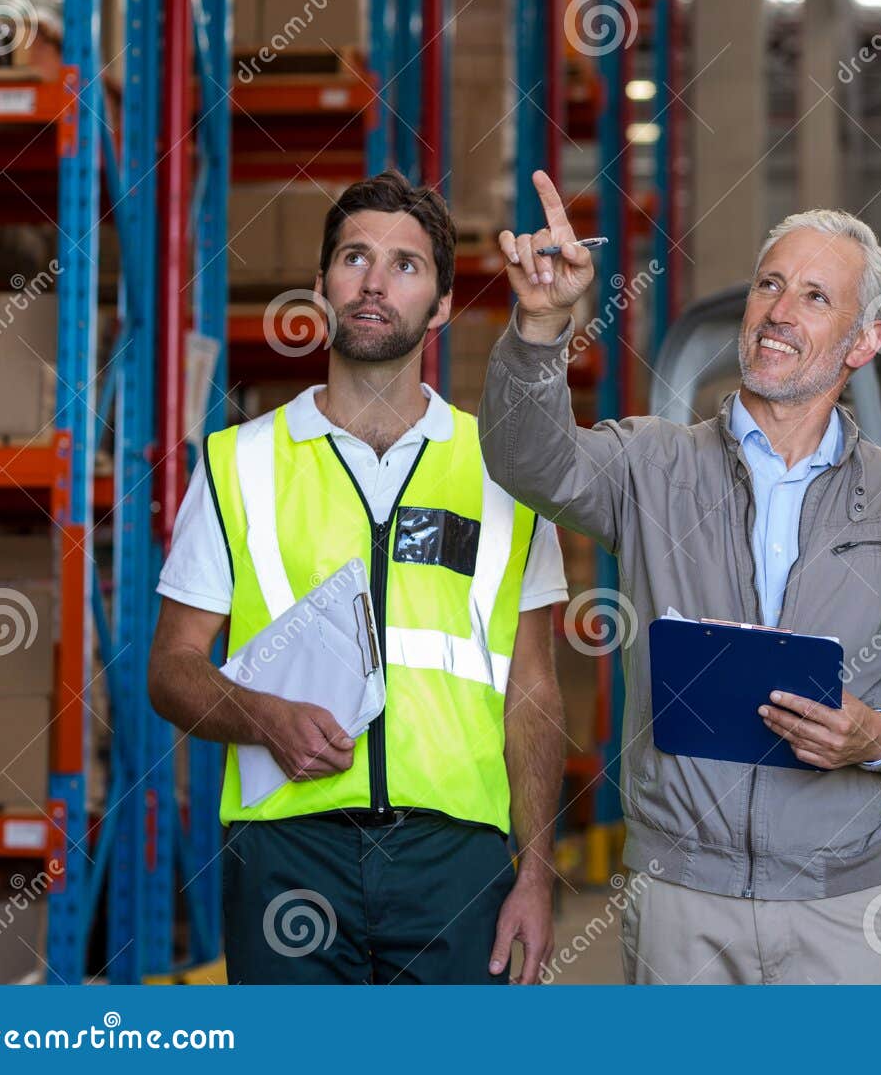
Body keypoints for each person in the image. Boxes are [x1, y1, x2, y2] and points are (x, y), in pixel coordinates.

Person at [483, 171, 881, 985]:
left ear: (865, 340)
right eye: (769, 285)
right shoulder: (652, 464)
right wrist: (543, 327)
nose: (780, 311)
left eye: (815, 297)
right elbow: (527, 459)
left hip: (848, 906)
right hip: (683, 897)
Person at [148, 171, 569, 984]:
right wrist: (263, 715)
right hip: (284, 853)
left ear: (442, 305)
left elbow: (536, 691)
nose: (375, 283)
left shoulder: (507, 470)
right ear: (321, 286)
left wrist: (537, 869)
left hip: (456, 856)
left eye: (406, 265)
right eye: (355, 258)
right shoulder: (240, 463)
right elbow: (171, 670)